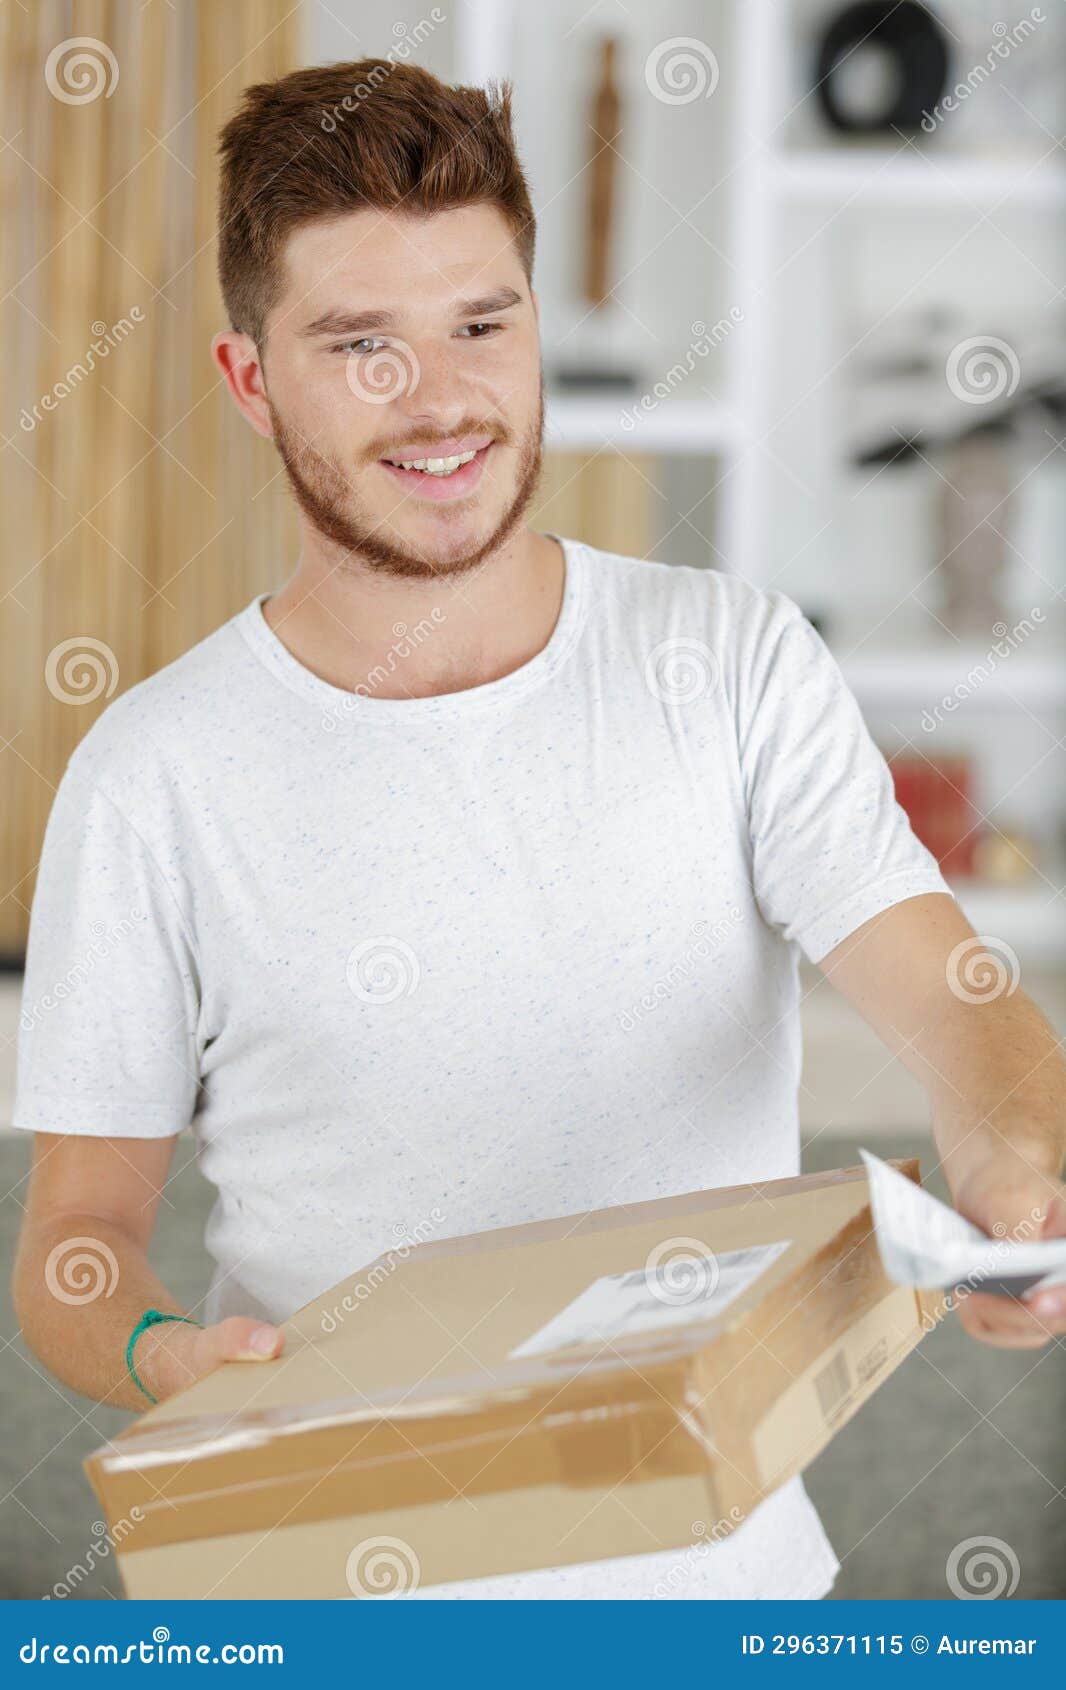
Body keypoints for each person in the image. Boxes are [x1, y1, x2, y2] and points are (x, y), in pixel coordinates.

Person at [12, 61, 1066, 1602]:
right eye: (359, 345)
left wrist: (1023, 1170)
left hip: (718, 1599)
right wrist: (171, 1352)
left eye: (481, 327)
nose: (439, 399)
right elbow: (75, 1245)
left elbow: (955, 1006)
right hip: (319, 1600)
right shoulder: (154, 771)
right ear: (250, 382)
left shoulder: (731, 664)